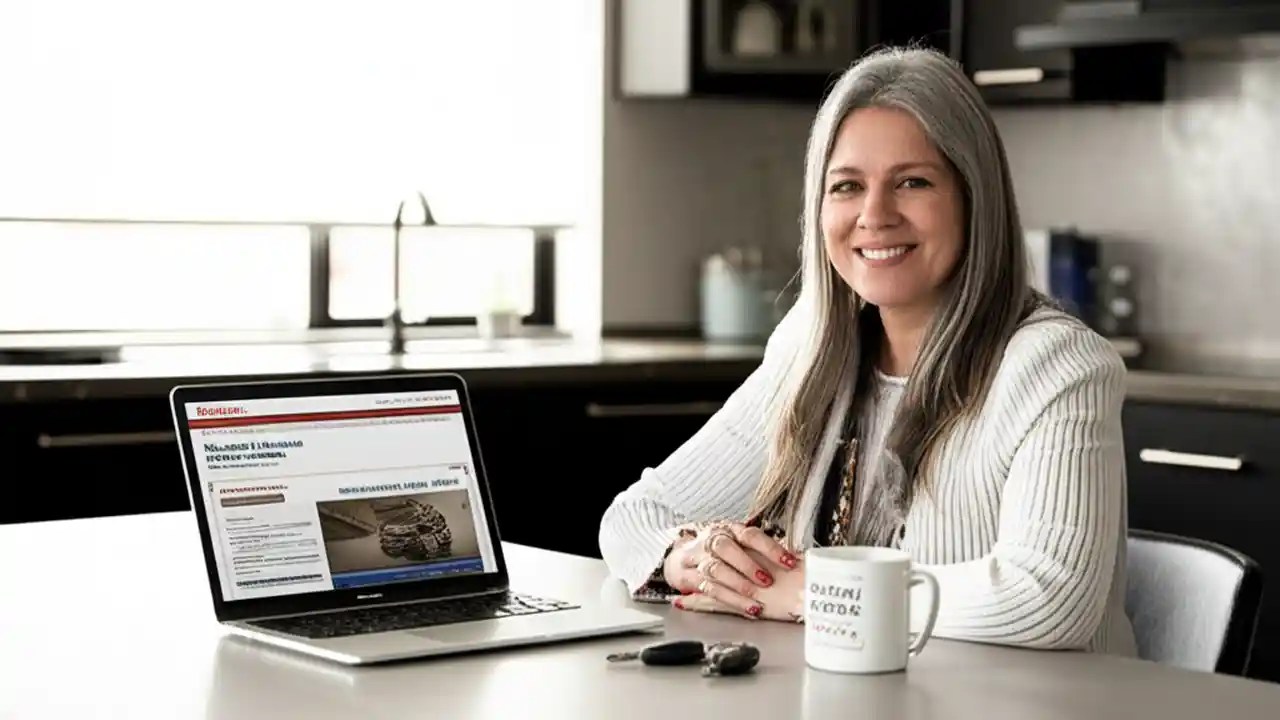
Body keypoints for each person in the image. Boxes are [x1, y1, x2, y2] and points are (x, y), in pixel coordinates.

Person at [597, 46, 1137, 655]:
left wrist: (812, 591)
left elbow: (1049, 598)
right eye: (847, 186)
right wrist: (695, 560)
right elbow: (634, 517)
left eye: (912, 182)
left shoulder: (1057, 366)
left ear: (974, 197)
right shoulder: (810, 346)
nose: (874, 215)